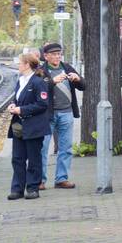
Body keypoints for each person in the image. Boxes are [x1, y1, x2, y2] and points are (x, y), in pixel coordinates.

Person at [37, 41, 84, 190]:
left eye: (59, 54)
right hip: (47, 115)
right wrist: (52, 82)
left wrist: (78, 79)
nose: (57, 57)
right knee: (42, 148)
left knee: (66, 148)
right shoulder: (41, 71)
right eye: (53, 54)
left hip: (66, 113)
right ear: (46, 56)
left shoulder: (67, 67)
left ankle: (61, 179)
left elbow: (83, 86)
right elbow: (38, 90)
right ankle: (40, 180)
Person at [7, 52, 50, 200]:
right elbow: (18, 98)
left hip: (34, 126)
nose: (18, 65)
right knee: (17, 158)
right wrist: (13, 105)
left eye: (19, 63)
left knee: (33, 158)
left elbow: (42, 104)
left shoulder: (38, 82)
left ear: (27, 65)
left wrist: (22, 110)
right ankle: (17, 188)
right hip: (19, 126)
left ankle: (33, 188)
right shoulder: (21, 81)